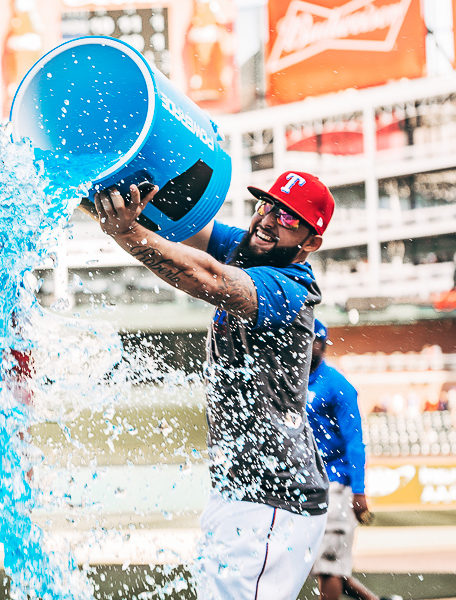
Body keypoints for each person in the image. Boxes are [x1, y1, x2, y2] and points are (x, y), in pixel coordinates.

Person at [93, 171, 334, 599]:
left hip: (275, 499)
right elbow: (179, 221)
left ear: (310, 243)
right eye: (267, 205)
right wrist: (94, 188)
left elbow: (209, 278)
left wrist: (127, 234)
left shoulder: (293, 287)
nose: (268, 219)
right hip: (239, 489)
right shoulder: (251, 247)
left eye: (288, 217)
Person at [307, 319, 387, 600]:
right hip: (307, 486)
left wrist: (359, 490)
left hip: (335, 486)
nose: (307, 345)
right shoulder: (293, 382)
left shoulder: (338, 386)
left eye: (314, 340)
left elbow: (355, 441)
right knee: (322, 564)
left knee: (328, 566)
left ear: (322, 345)